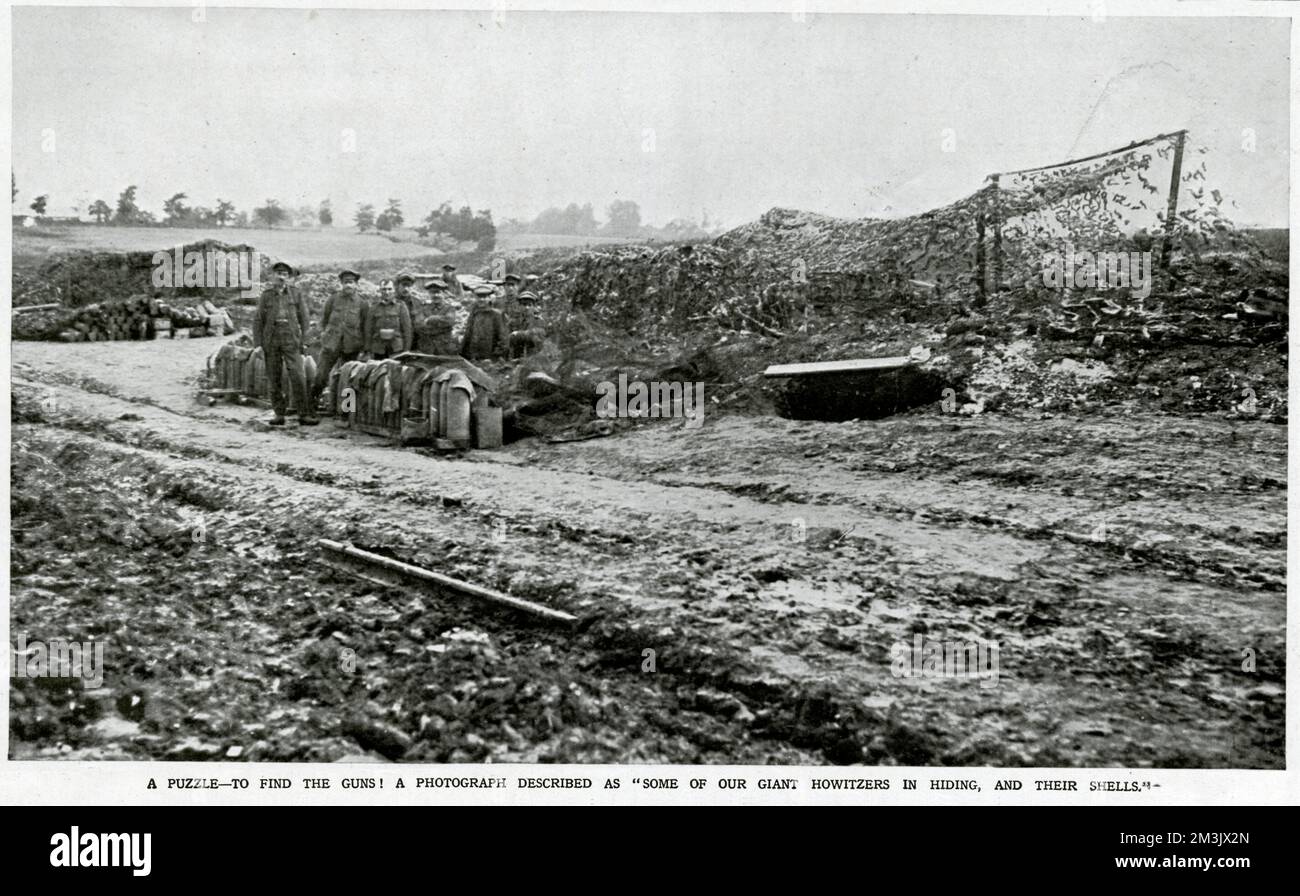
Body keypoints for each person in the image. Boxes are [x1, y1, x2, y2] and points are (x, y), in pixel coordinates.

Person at [254, 261, 318, 426]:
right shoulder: (266, 295)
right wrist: (259, 344)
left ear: (288, 277)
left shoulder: (296, 294)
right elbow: (258, 320)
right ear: (273, 276)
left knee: (298, 376)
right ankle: (279, 414)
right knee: (274, 378)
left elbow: (304, 319)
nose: (281, 277)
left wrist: (305, 341)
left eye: (284, 274)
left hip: (291, 339)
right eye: (278, 274)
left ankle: (303, 414)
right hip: (272, 340)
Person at [312, 268, 369, 409]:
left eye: (351, 282)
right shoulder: (333, 299)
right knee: (320, 377)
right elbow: (323, 320)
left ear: (356, 284)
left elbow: (366, 328)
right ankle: (311, 406)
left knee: (348, 379)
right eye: (345, 282)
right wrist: (324, 335)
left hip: (351, 346)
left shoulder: (362, 304)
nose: (348, 285)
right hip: (331, 344)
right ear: (341, 284)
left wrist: (364, 348)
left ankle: (345, 410)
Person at [362, 278, 412, 360]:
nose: (387, 292)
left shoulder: (401, 306)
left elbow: (407, 330)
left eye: (389, 289)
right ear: (380, 290)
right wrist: (367, 349)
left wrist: (406, 349)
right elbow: (368, 329)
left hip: (397, 348)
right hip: (378, 348)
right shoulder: (374, 307)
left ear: (394, 290)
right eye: (384, 289)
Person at [460, 284, 508, 360]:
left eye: (484, 297)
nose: (481, 300)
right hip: (473, 357)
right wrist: (463, 354)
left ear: (489, 298)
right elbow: (468, 335)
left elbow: (503, 339)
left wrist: (495, 356)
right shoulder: (474, 314)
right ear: (475, 298)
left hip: (489, 358)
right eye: (479, 297)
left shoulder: (496, 315)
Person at [416, 280, 458, 355]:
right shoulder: (423, 308)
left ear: (444, 294)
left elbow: (449, 321)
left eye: (438, 292)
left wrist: (430, 319)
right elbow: (419, 325)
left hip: (444, 347)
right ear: (429, 294)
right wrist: (440, 325)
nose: (435, 295)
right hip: (427, 348)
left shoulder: (449, 308)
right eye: (432, 292)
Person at [508, 290, 546, 359]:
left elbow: (537, 336)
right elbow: (507, 338)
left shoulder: (538, 321)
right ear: (519, 306)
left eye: (529, 305)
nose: (527, 307)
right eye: (524, 304)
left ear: (534, 307)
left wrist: (518, 334)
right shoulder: (514, 322)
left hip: (533, 358)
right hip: (516, 357)